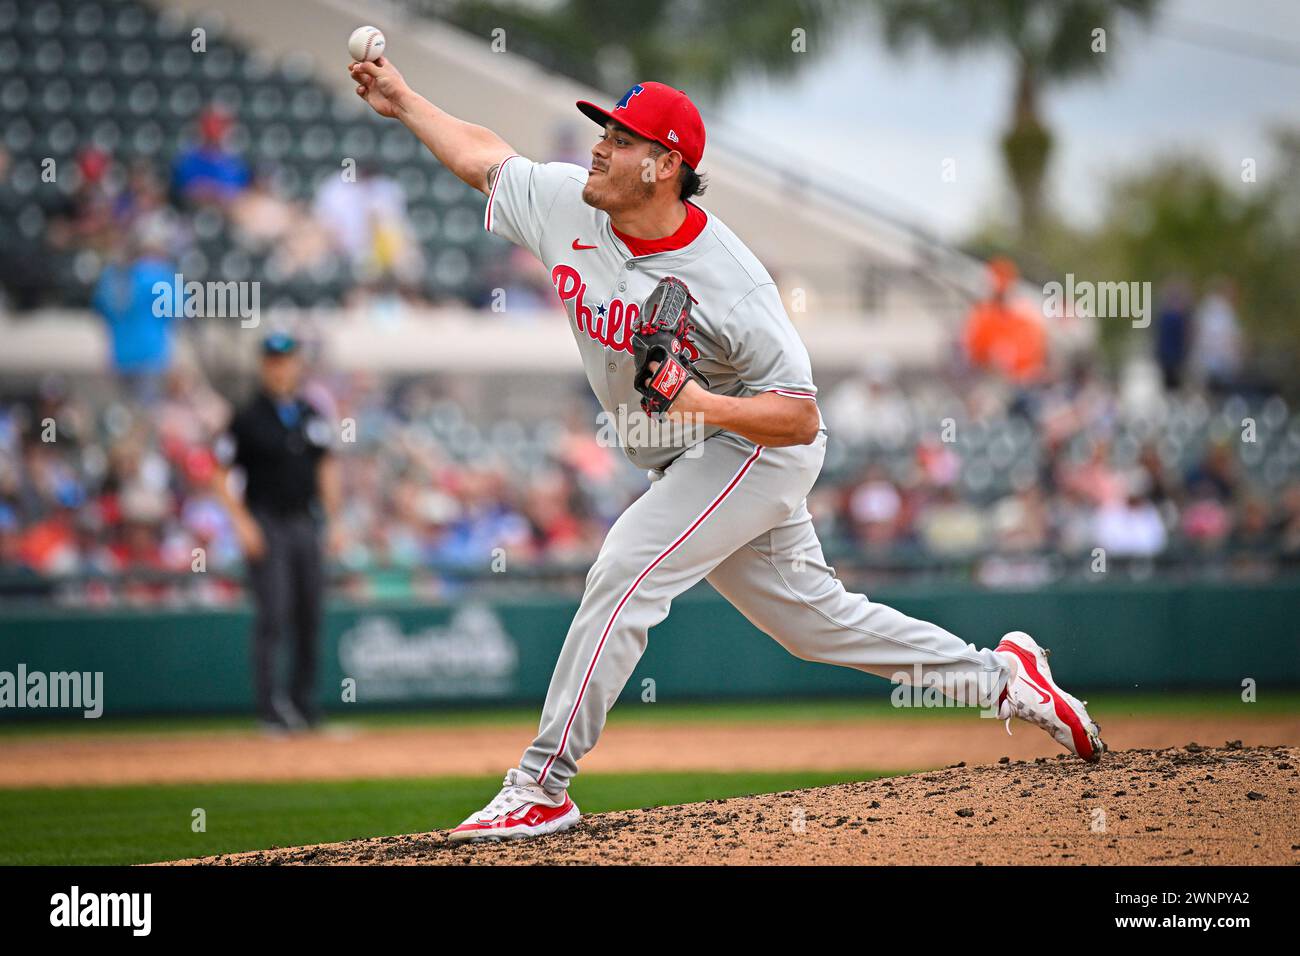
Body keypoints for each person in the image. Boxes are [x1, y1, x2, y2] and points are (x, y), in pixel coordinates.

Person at [349, 59, 1105, 842]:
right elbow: (484, 157)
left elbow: (802, 417)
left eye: (620, 137)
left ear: (667, 166)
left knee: (624, 568)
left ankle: (542, 783)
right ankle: (1006, 679)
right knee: (816, 624)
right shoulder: (567, 202)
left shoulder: (731, 281)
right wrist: (404, 101)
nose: (600, 147)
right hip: (682, 455)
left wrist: (702, 402)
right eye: (603, 130)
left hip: (749, 447)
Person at [213, 334, 341, 732]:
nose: (280, 367)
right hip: (267, 520)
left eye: (286, 359)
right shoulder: (247, 415)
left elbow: (326, 467)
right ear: (264, 365)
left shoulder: (309, 412)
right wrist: (242, 522)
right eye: (273, 360)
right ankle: (270, 710)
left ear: (297, 363)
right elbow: (219, 471)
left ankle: (305, 707)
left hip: (305, 521)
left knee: (309, 615)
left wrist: (335, 521)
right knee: (274, 614)